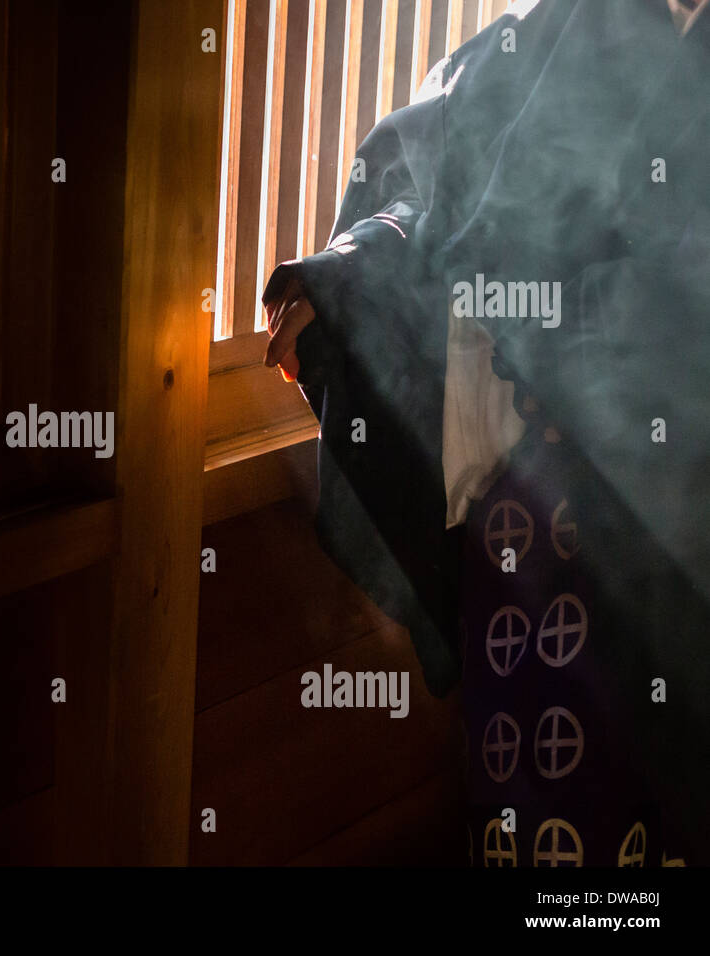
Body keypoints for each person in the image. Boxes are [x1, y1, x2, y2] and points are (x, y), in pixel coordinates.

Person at [262, 0, 710, 866]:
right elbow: (425, 196)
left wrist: (567, 327)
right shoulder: (556, 32)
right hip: (535, 534)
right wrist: (354, 275)